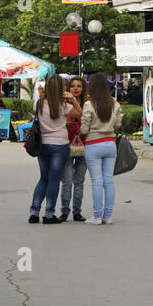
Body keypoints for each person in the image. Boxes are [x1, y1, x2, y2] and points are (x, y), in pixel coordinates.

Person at [30, 75, 80, 224]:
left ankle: (34, 212)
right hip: (60, 145)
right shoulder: (63, 106)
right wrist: (74, 100)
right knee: (54, 180)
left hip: (43, 144)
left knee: (43, 178)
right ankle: (49, 214)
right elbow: (80, 114)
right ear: (60, 88)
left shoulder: (38, 104)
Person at [81, 75, 122, 225]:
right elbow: (117, 126)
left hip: (94, 144)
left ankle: (97, 217)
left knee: (97, 181)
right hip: (110, 144)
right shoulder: (114, 103)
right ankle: (108, 216)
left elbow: (84, 130)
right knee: (108, 181)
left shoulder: (89, 104)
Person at [58, 76, 88, 222]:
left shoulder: (88, 104)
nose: (76, 88)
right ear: (68, 88)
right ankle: (64, 211)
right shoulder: (62, 103)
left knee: (80, 180)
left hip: (84, 145)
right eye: (73, 86)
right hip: (66, 144)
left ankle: (77, 211)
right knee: (67, 181)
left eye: (79, 86)